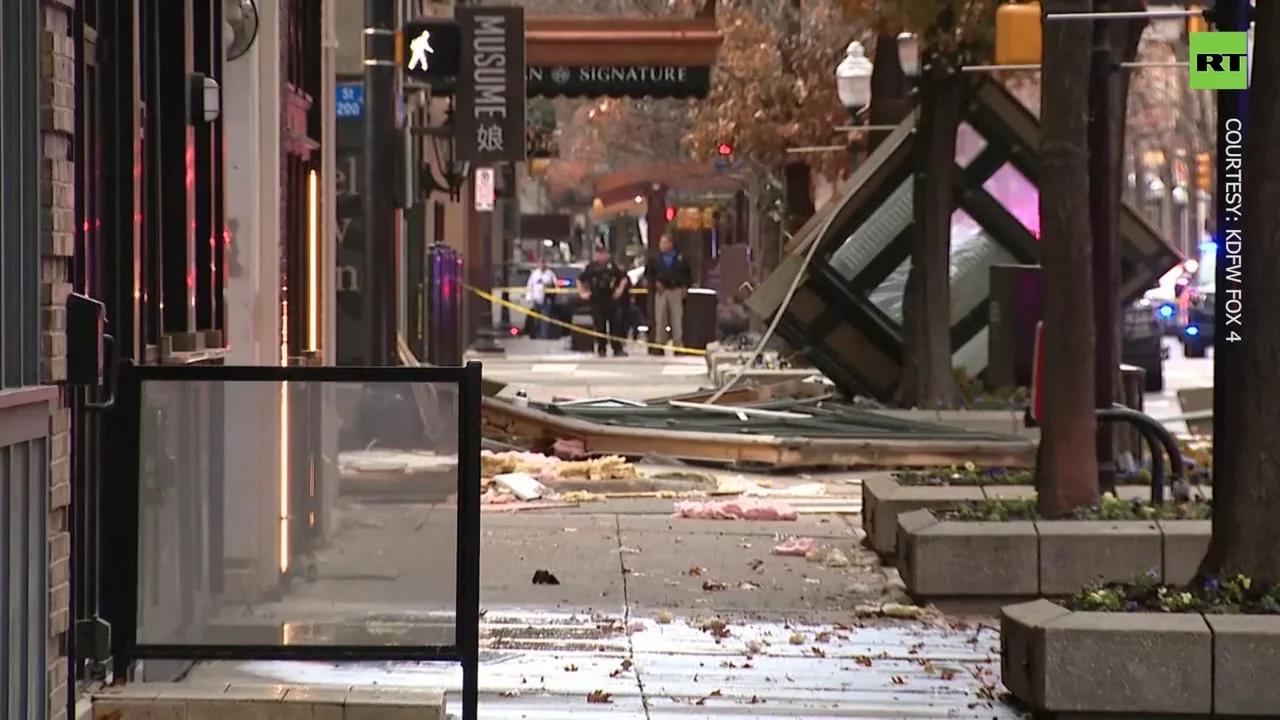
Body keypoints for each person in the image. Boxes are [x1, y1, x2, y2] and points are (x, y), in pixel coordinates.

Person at [578, 243, 628, 357]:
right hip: (596, 300)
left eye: (603, 253)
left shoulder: (612, 266)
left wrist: (619, 290)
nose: (601, 256)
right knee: (599, 326)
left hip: (611, 299)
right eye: (599, 253)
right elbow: (580, 279)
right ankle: (601, 349)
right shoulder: (590, 267)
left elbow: (624, 278)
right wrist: (582, 293)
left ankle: (617, 348)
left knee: (615, 326)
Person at [644, 233, 693, 350]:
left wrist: (685, 286)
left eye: (665, 243)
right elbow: (648, 275)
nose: (662, 245)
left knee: (677, 319)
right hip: (661, 292)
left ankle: (678, 343)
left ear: (671, 244)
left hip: (675, 290)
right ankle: (660, 344)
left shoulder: (680, 259)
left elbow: (688, 275)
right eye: (661, 243)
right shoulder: (655, 259)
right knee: (660, 319)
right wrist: (655, 282)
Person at [525, 258, 557, 339]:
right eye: (540, 263)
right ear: (538, 264)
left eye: (543, 263)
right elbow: (530, 286)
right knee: (536, 319)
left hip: (546, 300)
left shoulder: (550, 274)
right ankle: (536, 334)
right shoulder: (534, 274)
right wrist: (529, 297)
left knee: (545, 319)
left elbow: (556, 284)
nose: (542, 265)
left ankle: (544, 335)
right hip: (536, 299)